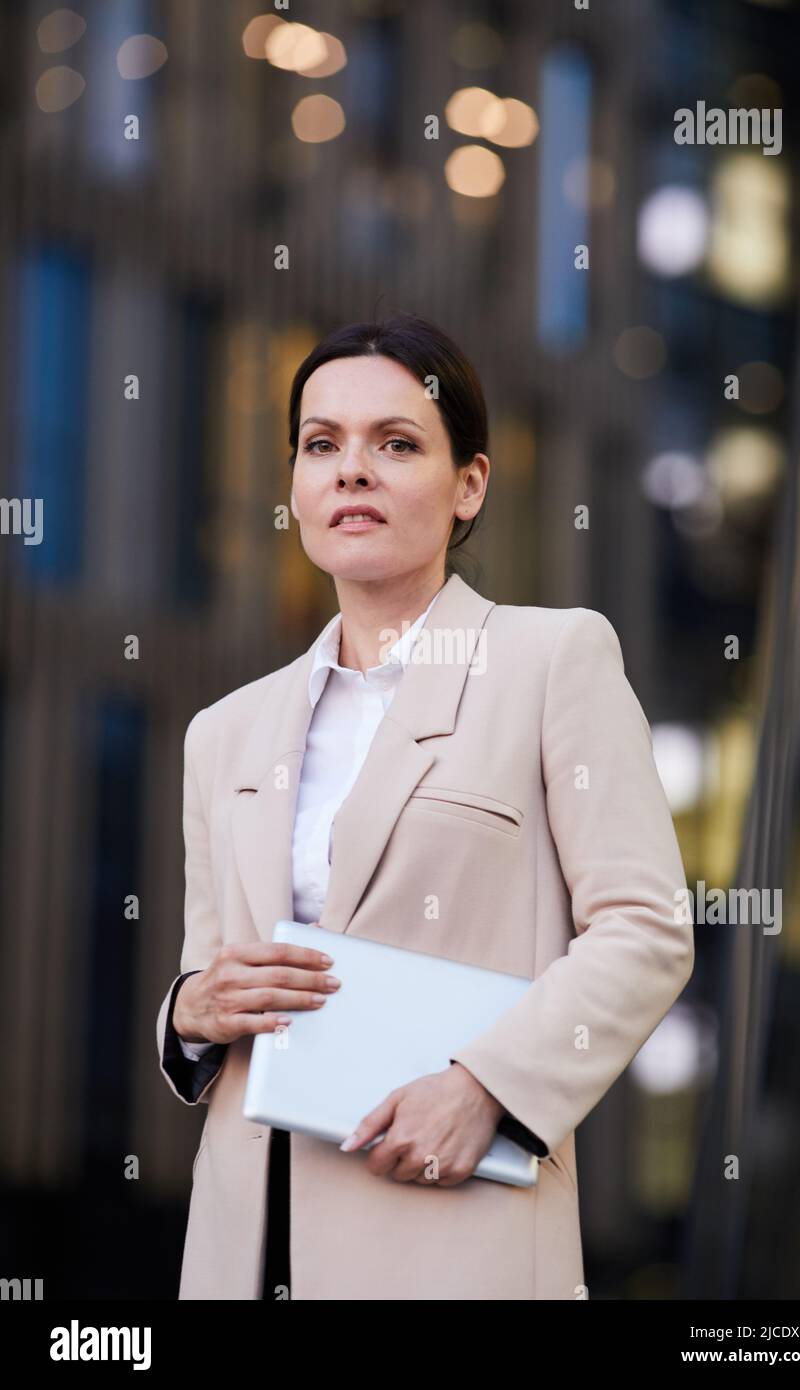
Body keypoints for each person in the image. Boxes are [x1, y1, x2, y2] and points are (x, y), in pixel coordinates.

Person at [155, 311, 694, 1300]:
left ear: (469, 485)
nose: (350, 470)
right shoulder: (223, 731)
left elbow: (645, 929)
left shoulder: (550, 661)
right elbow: (209, 974)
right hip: (243, 1248)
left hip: (451, 1235)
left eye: (394, 444)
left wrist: (491, 1087)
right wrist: (187, 1010)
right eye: (321, 445)